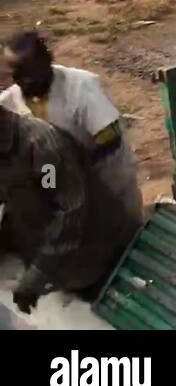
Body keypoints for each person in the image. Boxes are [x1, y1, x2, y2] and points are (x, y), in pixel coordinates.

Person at [0, 107, 140, 314]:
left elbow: (70, 213)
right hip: (47, 243)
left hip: (92, 250)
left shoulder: (40, 147)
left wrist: (38, 274)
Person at [0, 31, 144, 230]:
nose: (26, 81)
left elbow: (110, 137)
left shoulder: (80, 87)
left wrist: (76, 165)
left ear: (48, 61)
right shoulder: (9, 102)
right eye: (18, 75)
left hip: (106, 179)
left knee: (120, 231)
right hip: (57, 185)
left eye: (31, 73)